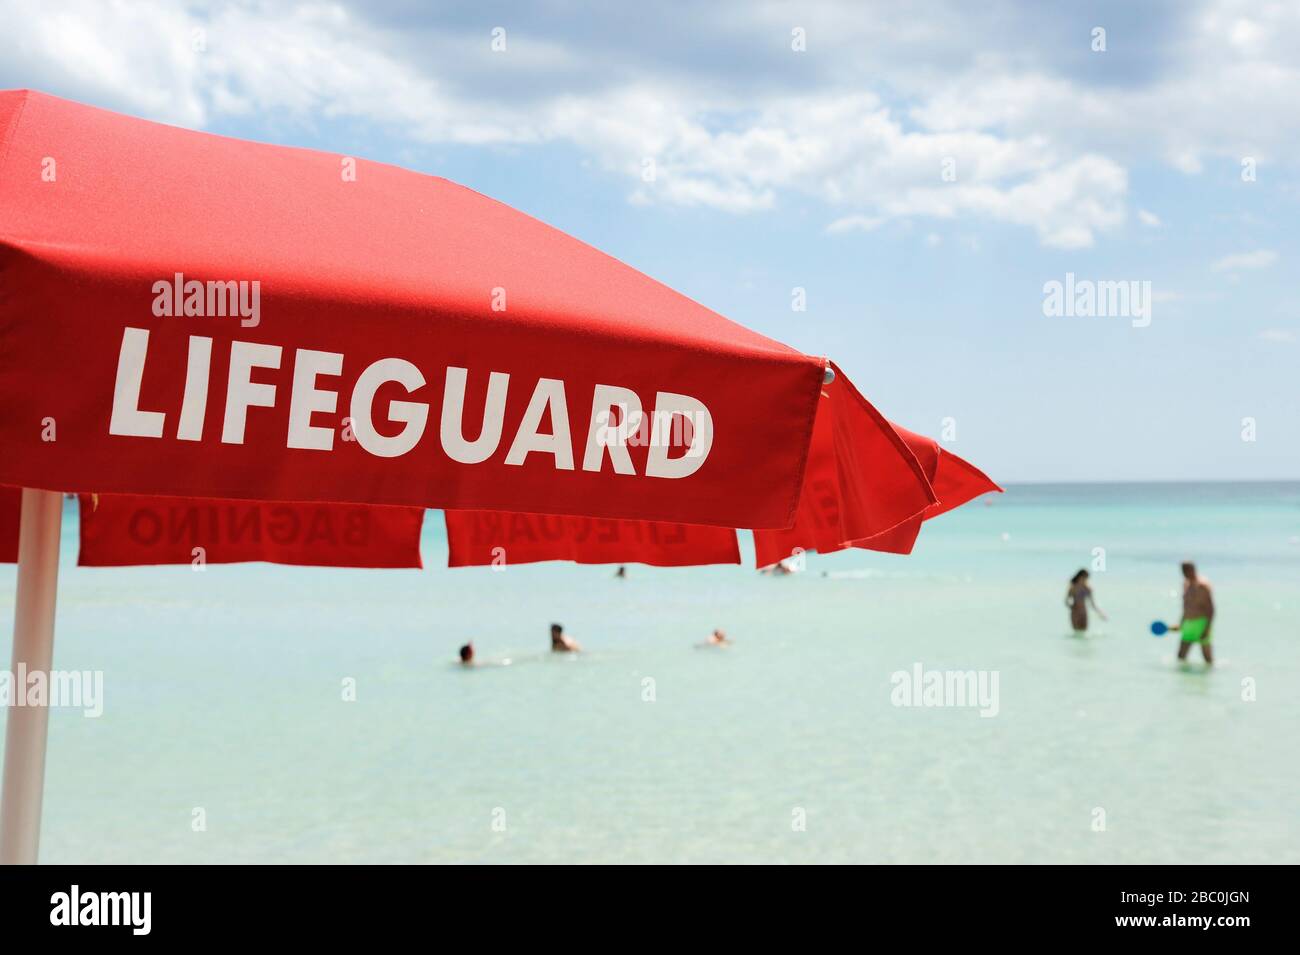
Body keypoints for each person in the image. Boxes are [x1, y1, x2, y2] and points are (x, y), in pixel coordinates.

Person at [1171, 561, 1214, 665]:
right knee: (1181, 657)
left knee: (1207, 659)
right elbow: (1186, 607)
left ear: (1193, 569)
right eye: (1183, 571)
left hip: (1201, 623)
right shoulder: (1186, 585)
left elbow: (1211, 609)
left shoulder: (1203, 585)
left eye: (1186, 570)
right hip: (1188, 624)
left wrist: (1207, 629)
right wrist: (1181, 624)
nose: (1185, 573)